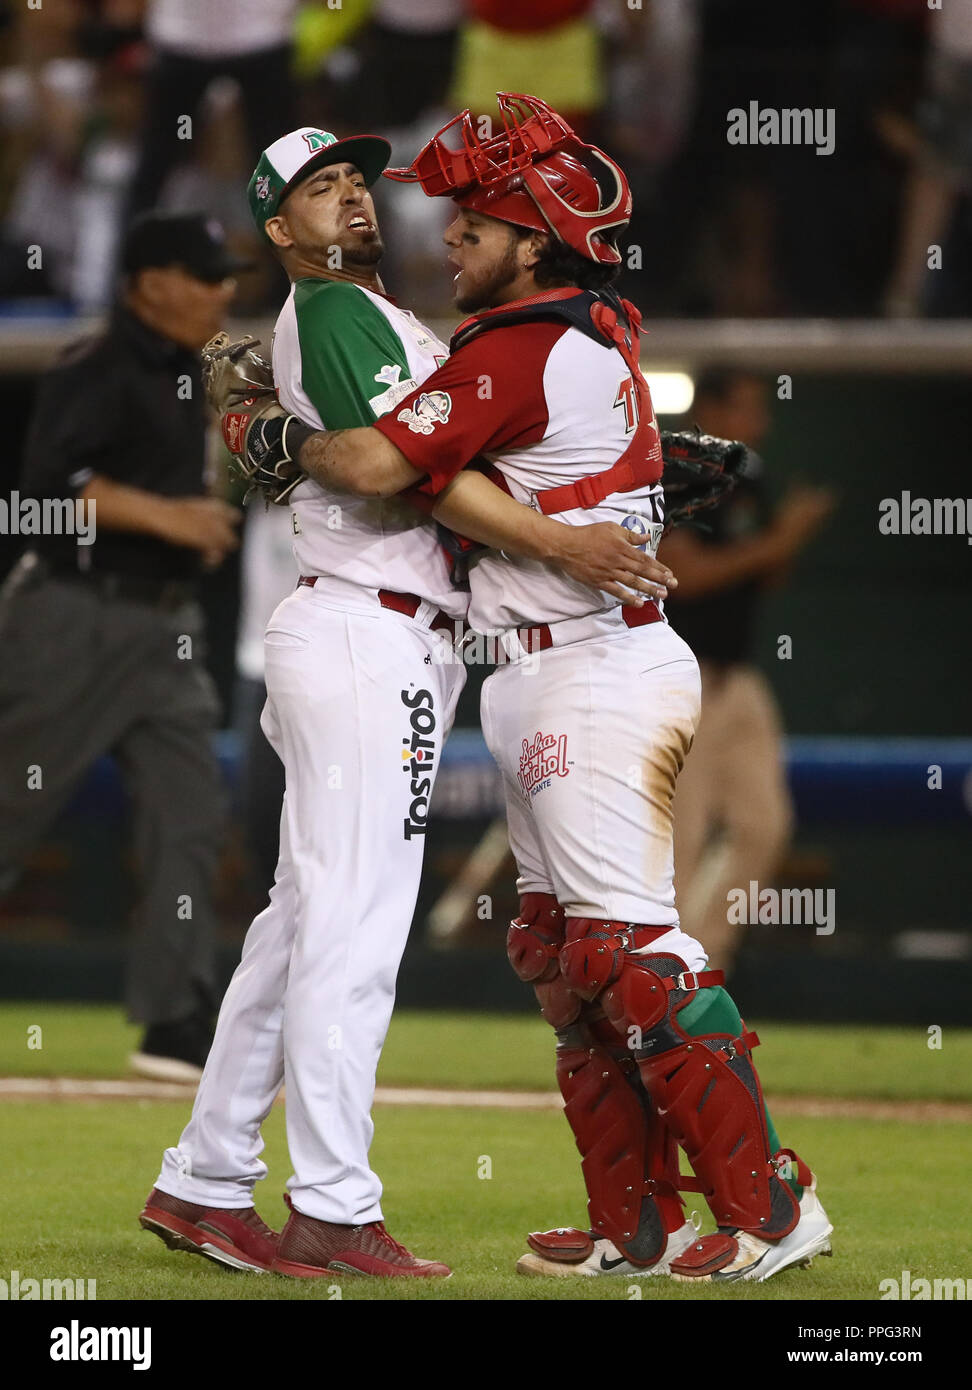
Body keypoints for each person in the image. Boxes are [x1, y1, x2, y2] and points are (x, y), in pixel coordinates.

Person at [257, 93, 835, 1284]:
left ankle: (770, 1207)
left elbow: (375, 460)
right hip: (538, 669)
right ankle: (633, 1222)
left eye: (472, 225)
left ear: (533, 238)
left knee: (636, 957)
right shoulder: (564, 333)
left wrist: (262, 428)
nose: (448, 240)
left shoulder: (521, 345)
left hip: (595, 669)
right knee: (564, 955)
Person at [139, 125, 670, 1281]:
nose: (350, 201)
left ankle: (205, 1178)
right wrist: (560, 537)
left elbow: (445, 443)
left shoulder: (371, 316)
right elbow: (411, 469)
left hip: (365, 633)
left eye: (354, 182)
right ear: (281, 233)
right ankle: (331, 1206)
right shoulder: (336, 313)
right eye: (317, 193)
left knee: (297, 926)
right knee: (353, 929)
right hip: (372, 635)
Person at [0, 211, 244, 1080]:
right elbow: (40, 500)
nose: (223, 289)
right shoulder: (95, 365)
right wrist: (172, 515)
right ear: (151, 283)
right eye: (205, 274)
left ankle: (174, 1016)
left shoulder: (192, 371)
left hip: (166, 624)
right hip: (74, 616)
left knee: (190, 812)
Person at [659, 370, 834, 977]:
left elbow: (765, 574)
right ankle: (661, 984)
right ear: (708, 408)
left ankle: (701, 961)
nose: (760, 423)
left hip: (739, 675)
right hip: (682, 671)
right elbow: (685, 572)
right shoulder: (680, 468)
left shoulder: (750, 477)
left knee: (764, 824)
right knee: (682, 839)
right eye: (747, 408)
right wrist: (784, 537)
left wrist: (782, 540)